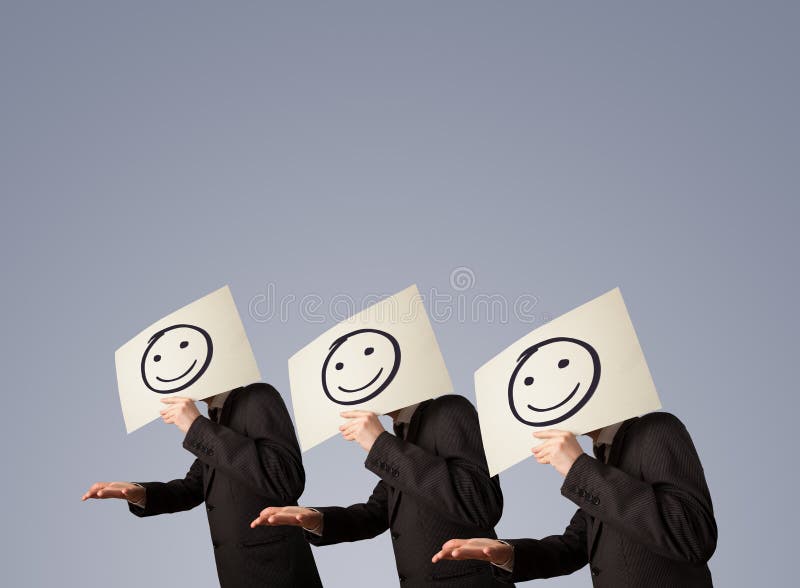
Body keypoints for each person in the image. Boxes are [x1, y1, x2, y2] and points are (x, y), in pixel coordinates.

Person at [432, 412, 717, 587]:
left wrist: (577, 466)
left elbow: (692, 535)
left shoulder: (655, 429)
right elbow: (572, 547)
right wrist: (506, 553)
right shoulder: (606, 462)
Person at [251, 395, 511, 587]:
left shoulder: (450, 409)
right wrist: (317, 519)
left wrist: (379, 443)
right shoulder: (404, 437)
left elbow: (481, 503)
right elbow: (375, 513)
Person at [82, 382, 322, 588]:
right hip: (237, 575)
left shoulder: (257, 396)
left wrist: (196, 425)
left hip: (277, 574)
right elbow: (191, 488)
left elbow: (285, 478)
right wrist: (139, 494)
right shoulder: (217, 421)